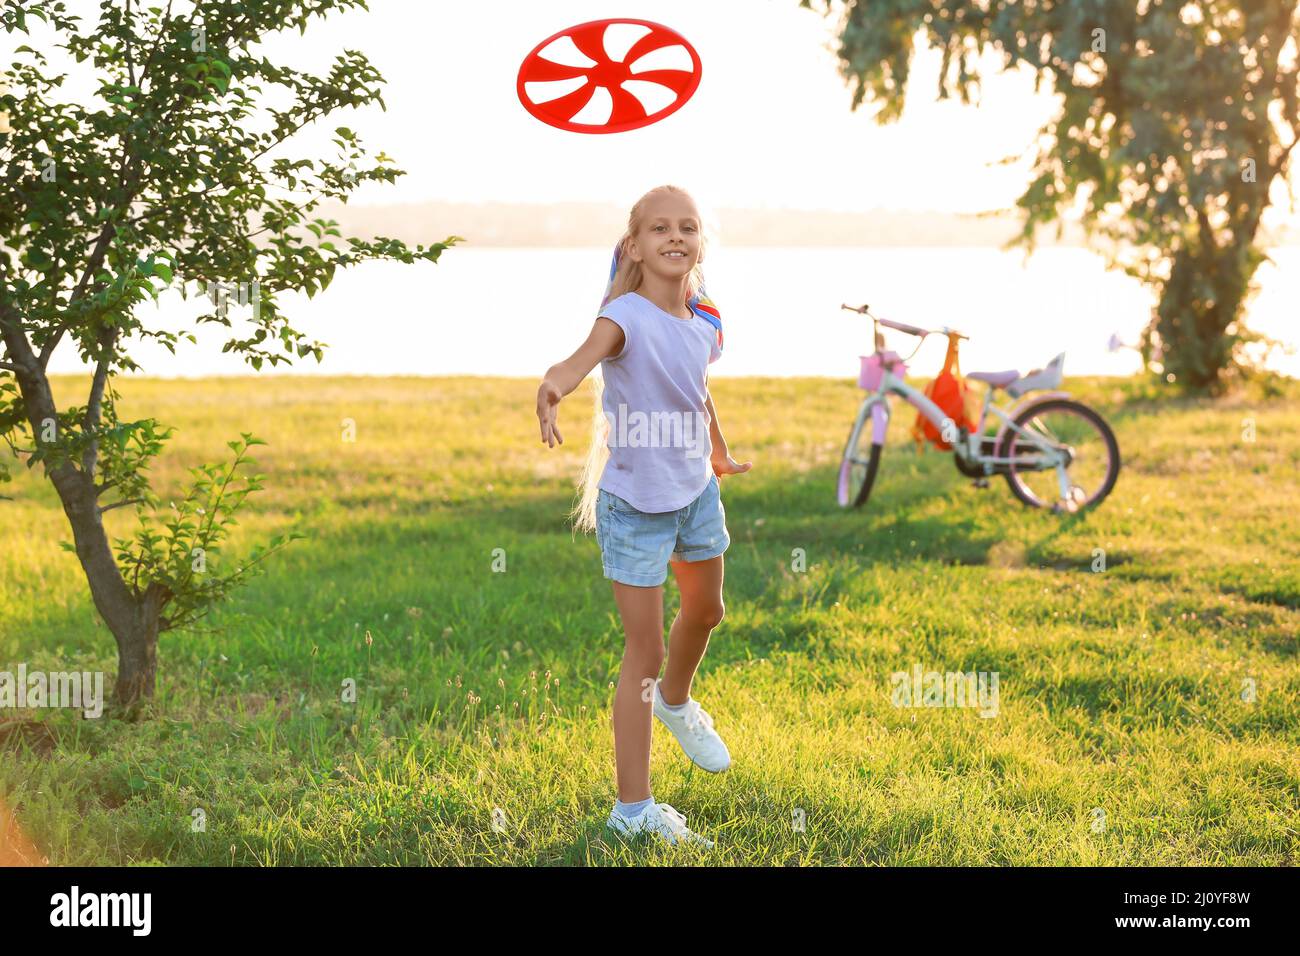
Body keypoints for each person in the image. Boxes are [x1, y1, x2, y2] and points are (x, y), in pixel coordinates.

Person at [536, 184, 751, 847]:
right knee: (646, 650)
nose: (675, 236)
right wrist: (553, 387)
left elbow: (695, 391)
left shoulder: (703, 323)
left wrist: (717, 450)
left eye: (687, 226)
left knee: (708, 611)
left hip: (693, 493)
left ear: (700, 244)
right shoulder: (624, 314)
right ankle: (632, 812)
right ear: (634, 246)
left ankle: (677, 703)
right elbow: (579, 360)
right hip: (635, 506)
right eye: (659, 227)